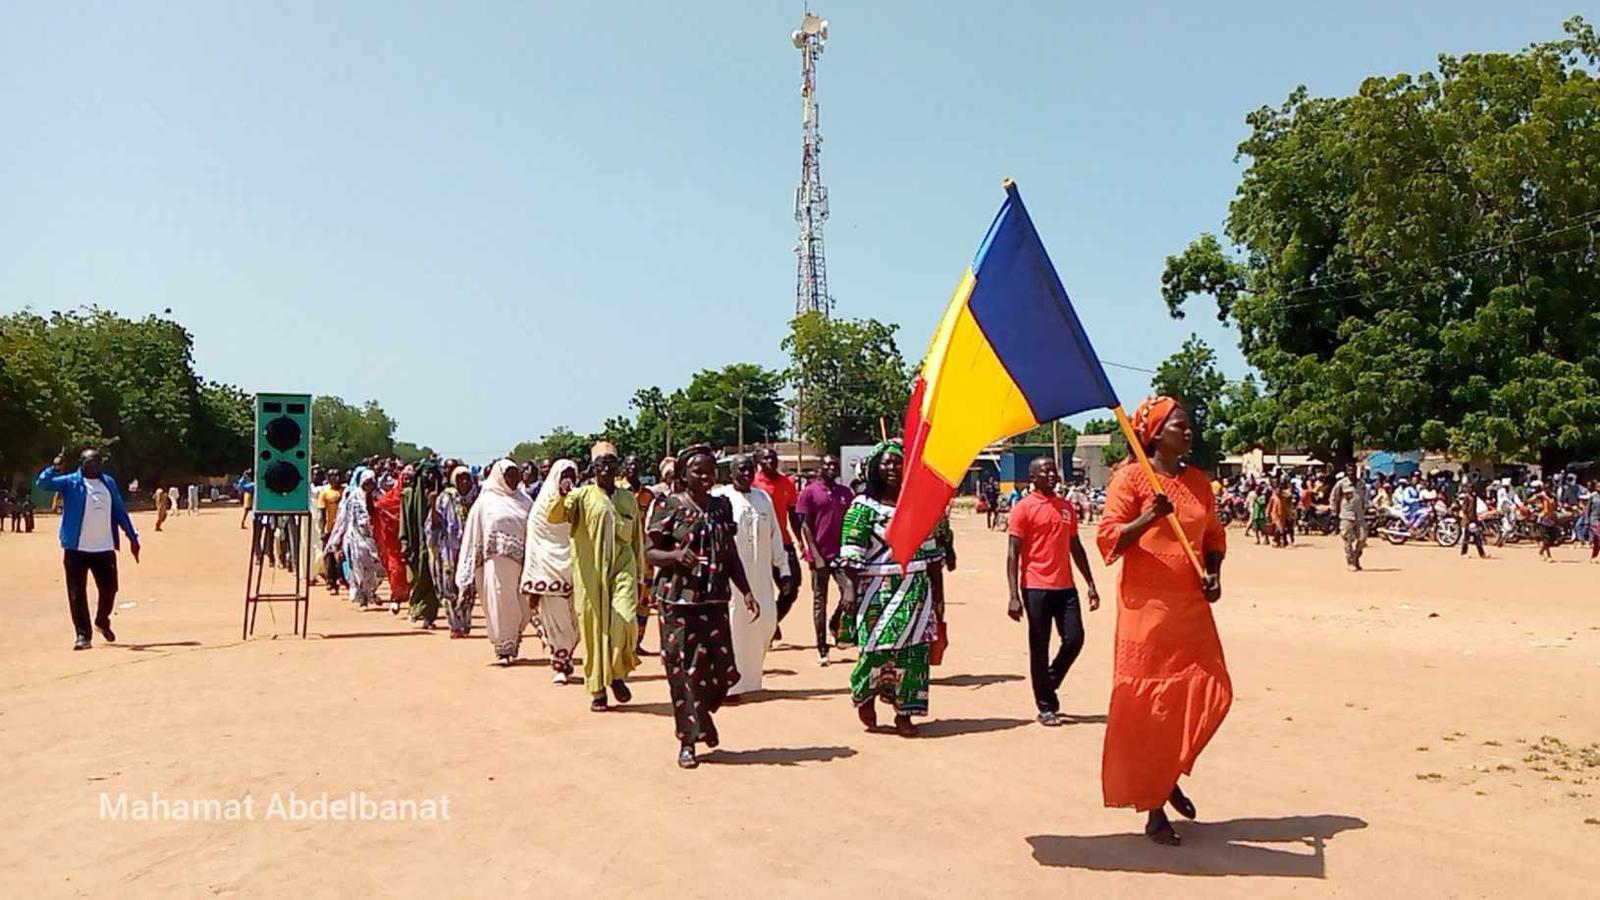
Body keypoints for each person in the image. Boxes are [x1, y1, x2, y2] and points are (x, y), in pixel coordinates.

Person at [1095, 396, 1229, 847]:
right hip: (1146, 613)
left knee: (1215, 690)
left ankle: (1168, 773)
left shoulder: (1198, 481)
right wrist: (1149, 516)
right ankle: (1154, 809)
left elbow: (1213, 536)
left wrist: (1214, 573)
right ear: (1153, 433)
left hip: (1190, 607)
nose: (1187, 432)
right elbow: (1109, 539)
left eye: (1189, 425)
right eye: (1178, 426)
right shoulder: (1131, 479)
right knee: (1152, 707)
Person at [646, 445, 759, 768]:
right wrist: (674, 556)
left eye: (710, 471)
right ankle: (688, 740)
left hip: (715, 599)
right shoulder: (668, 505)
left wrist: (746, 590)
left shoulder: (721, 506)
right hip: (678, 602)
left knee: (723, 671)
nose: (706, 477)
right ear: (684, 475)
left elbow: (730, 553)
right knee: (684, 670)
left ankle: (703, 716)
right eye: (698, 471)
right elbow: (650, 552)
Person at [837, 439, 945, 738]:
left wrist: (938, 599)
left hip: (916, 589)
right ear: (874, 468)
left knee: (914, 654)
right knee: (875, 650)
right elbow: (849, 555)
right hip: (876, 589)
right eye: (886, 462)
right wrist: (848, 591)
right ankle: (866, 696)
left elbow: (933, 558)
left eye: (898, 462)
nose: (892, 468)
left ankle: (904, 713)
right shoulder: (862, 508)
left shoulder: (918, 507)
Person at [1006, 456, 1100, 727]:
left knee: (1075, 638)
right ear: (1032, 477)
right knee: (1039, 646)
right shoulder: (1023, 508)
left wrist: (1090, 583)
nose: (1051, 475)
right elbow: (1013, 553)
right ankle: (1046, 706)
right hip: (1036, 587)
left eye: (1053, 470)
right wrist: (1013, 595)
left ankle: (1048, 681)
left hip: (1065, 586)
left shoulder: (1066, 507)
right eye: (1044, 471)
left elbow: (1076, 547)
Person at [550, 442, 643, 711]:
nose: (605, 468)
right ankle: (599, 688)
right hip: (591, 574)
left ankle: (615, 671)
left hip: (623, 567)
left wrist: (640, 574)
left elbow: (636, 538)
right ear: (593, 468)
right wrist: (562, 495)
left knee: (624, 619)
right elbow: (555, 516)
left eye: (610, 463)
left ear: (617, 467)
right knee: (594, 629)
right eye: (600, 463)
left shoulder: (627, 498)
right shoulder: (581, 496)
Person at [36, 450, 141, 650]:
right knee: (77, 592)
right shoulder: (70, 482)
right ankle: (83, 635)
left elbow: (119, 510)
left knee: (110, 589)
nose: (95, 465)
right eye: (90, 461)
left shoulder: (108, 483)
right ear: (82, 463)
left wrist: (132, 537)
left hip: (104, 547)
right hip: (76, 548)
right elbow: (43, 483)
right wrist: (54, 467)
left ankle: (102, 620)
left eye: (98, 461)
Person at [712, 454, 792, 697]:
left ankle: (751, 678)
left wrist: (784, 569)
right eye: (741, 470)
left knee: (766, 622)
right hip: (732, 578)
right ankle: (731, 683)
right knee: (734, 626)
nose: (746, 474)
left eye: (749, 469)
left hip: (761, 576)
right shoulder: (721, 498)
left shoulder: (762, 498)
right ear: (731, 473)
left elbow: (775, 535)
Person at [454, 460, 533, 665]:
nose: (514, 479)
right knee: (500, 602)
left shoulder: (525, 501)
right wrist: (466, 574)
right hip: (496, 567)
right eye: (509, 475)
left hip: (523, 564)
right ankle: (504, 647)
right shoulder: (485, 503)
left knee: (523, 606)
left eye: (516, 474)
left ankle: (514, 637)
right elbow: (472, 536)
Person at [522, 459, 582, 684]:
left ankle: (568, 655)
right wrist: (534, 579)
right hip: (548, 573)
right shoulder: (540, 508)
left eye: (572, 475)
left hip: (576, 570)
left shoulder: (580, 503)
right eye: (564, 475)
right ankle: (561, 664)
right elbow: (535, 543)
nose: (568, 480)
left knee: (575, 625)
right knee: (557, 624)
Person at [795, 454, 856, 667]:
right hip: (818, 556)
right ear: (820, 467)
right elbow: (805, 525)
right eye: (827, 465)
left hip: (841, 555)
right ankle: (822, 647)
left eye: (835, 465)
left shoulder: (845, 493)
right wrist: (816, 555)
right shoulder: (809, 492)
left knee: (850, 592)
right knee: (820, 601)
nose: (831, 468)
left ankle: (835, 622)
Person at [753, 447, 802, 633]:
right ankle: (763, 628)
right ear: (758, 462)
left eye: (773, 458)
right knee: (761, 589)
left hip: (783, 543)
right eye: (765, 458)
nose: (770, 461)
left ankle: (773, 621)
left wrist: (800, 540)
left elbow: (793, 514)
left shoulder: (787, 483)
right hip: (760, 545)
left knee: (791, 588)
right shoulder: (753, 483)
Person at [328, 470, 382, 607]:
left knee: (377, 567)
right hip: (355, 537)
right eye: (367, 483)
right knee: (358, 567)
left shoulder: (378, 496)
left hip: (373, 538)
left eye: (371, 483)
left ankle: (371, 591)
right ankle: (362, 596)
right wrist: (336, 540)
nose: (369, 486)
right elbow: (343, 518)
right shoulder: (353, 497)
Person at [431, 467, 474, 637]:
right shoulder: (445, 498)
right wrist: (432, 506)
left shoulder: (477, 497)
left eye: (467, 478)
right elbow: (435, 524)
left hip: (470, 549)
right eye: (460, 478)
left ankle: (465, 621)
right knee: (449, 586)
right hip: (449, 549)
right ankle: (454, 625)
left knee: (468, 586)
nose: (464, 482)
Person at [401, 465, 442, 628]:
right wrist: (404, 541)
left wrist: (434, 503)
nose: (430, 477)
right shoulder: (408, 495)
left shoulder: (443, 496)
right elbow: (404, 520)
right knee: (418, 578)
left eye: (433, 474)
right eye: (427, 473)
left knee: (433, 579)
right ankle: (415, 605)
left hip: (436, 545)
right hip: (416, 544)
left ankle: (429, 615)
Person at [373, 469, 411, 614]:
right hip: (393, 543)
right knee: (395, 570)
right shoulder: (389, 499)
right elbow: (378, 508)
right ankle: (395, 597)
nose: (407, 481)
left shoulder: (416, 497)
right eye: (405, 478)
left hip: (413, 541)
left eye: (410, 479)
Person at [1330, 463, 1367, 571]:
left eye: (1353, 471)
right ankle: (1350, 562)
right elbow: (1333, 497)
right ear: (1346, 472)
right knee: (1348, 540)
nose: (1351, 473)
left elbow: (1364, 497)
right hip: (1346, 515)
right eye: (1349, 471)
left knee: (1363, 538)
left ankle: (1356, 557)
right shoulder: (1341, 484)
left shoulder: (1361, 483)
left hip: (1359, 515)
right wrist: (1334, 511)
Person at [317, 472, 346, 595]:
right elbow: (321, 514)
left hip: (344, 529)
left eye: (338, 476)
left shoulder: (345, 491)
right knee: (329, 557)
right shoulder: (325, 493)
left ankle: (344, 579)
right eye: (333, 476)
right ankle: (331, 582)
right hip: (330, 529)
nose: (336, 478)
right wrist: (323, 530)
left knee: (344, 555)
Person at [1459, 479, 1488, 559]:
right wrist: (1468, 521)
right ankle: (1463, 553)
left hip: (1474, 520)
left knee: (1477, 538)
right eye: (1470, 488)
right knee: (1466, 538)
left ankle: (1482, 554)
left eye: (1472, 488)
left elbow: (1474, 509)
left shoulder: (1474, 497)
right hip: (1468, 521)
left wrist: (1476, 520)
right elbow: (1464, 510)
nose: (1471, 490)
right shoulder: (1466, 497)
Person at [1534, 481, 1558, 561]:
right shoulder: (1541, 496)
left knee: (1552, 539)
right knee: (1546, 539)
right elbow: (1532, 500)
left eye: (1549, 488)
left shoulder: (1553, 497)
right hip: (1543, 520)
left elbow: (1555, 506)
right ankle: (1549, 556)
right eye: (1546, 488)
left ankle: (1541, 551)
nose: (1547, 490)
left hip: (1551, 519)